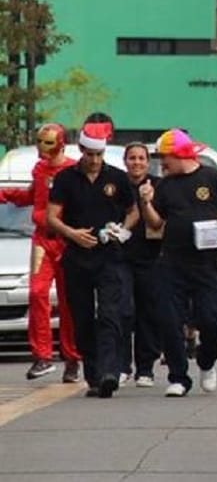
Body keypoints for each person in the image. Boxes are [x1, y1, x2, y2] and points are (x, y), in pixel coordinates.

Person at [139, 129, 217, 397]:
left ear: (180, 154)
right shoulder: (164, 185)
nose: (161, 163)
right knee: (169, 320)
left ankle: (207, 362)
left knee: (212, 321)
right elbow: (155, 223)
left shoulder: (214, 178)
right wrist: (146, 203)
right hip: (172, 263)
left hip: (206, 266)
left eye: (165, 157)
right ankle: (178, 377)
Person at [47, 122, 137, 398]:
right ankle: (94, 375)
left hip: (109, 256)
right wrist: (72, 234)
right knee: (82, 317)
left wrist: (122, 230)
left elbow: (133, 212)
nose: (95, 161)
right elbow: (52, 218)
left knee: (109, 313)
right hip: (77, 258)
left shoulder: (118, 178)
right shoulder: (65, 179)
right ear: (82, 151)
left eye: (99, 155)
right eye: (90, 155)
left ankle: (110, 371)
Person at [0, 123, 81, 382]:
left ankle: (71, 358)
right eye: (39, 141)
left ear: (59, 144)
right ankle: (42, 356)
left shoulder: (71, 171)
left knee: (69, 302)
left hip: (66, 241)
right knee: (37, 292)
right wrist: (4, 194)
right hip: (42, 241)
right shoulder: (39, 169)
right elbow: (32, 197)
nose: (40, 147)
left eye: (46, 142)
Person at [118, 142, 163, 387]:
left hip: (151, 257)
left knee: (148, 313)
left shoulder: (158, 186)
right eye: (132, 158)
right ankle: (122, 365)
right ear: (125, 161)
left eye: (141, 158)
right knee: (123, 310)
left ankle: (145, 369)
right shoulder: (116, 185)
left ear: (148, 162)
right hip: (120, 257)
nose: (136, 162)